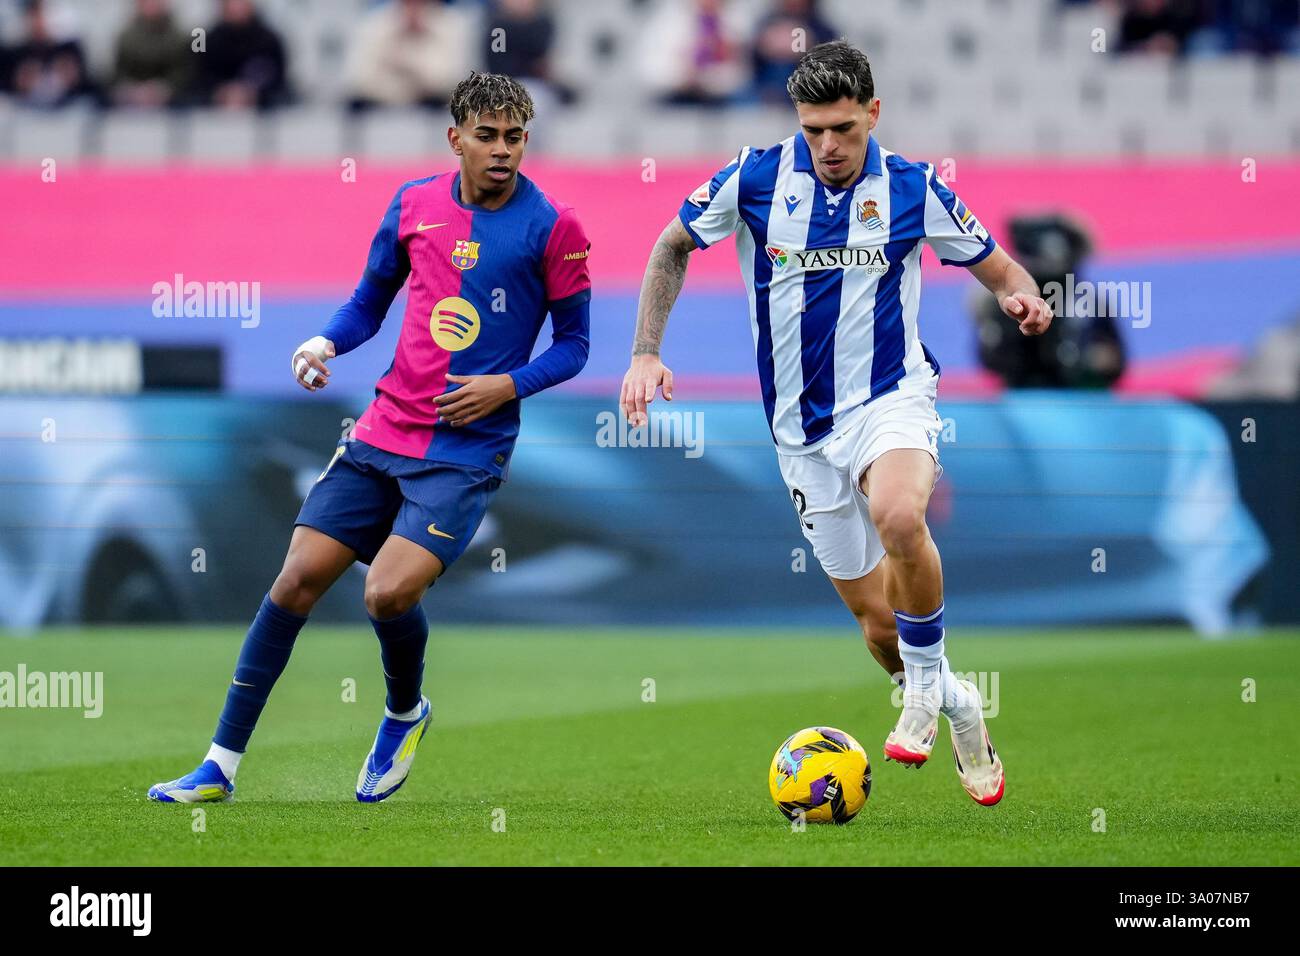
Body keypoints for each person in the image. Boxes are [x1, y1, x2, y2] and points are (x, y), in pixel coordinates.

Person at [620, 40, 1054, 806]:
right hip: (799, 433)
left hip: (892, 398)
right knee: (880, 629)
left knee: (897, 511)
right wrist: (646, 351)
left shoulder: (916, 189)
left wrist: (1025, 297)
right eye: (814, 129)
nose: (827, 146)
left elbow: (1001, 267)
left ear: (873, 115)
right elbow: (672, 244)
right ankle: (957, 700)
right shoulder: (755, 176)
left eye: (843, 129)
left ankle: (922, 694)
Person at [148, 72, 592, 804]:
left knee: (386, 594)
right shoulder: (414, 204)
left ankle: (404, 710)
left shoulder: (553, 226)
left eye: (515, 137)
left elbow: (574, 343)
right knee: (295, 579)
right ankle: (219, 766)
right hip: (384, 429)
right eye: (487, 137)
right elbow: (368, 302)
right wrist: (324, 343)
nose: (503, 151)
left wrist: (505, 386)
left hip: (465, 450)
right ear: (456, 139)